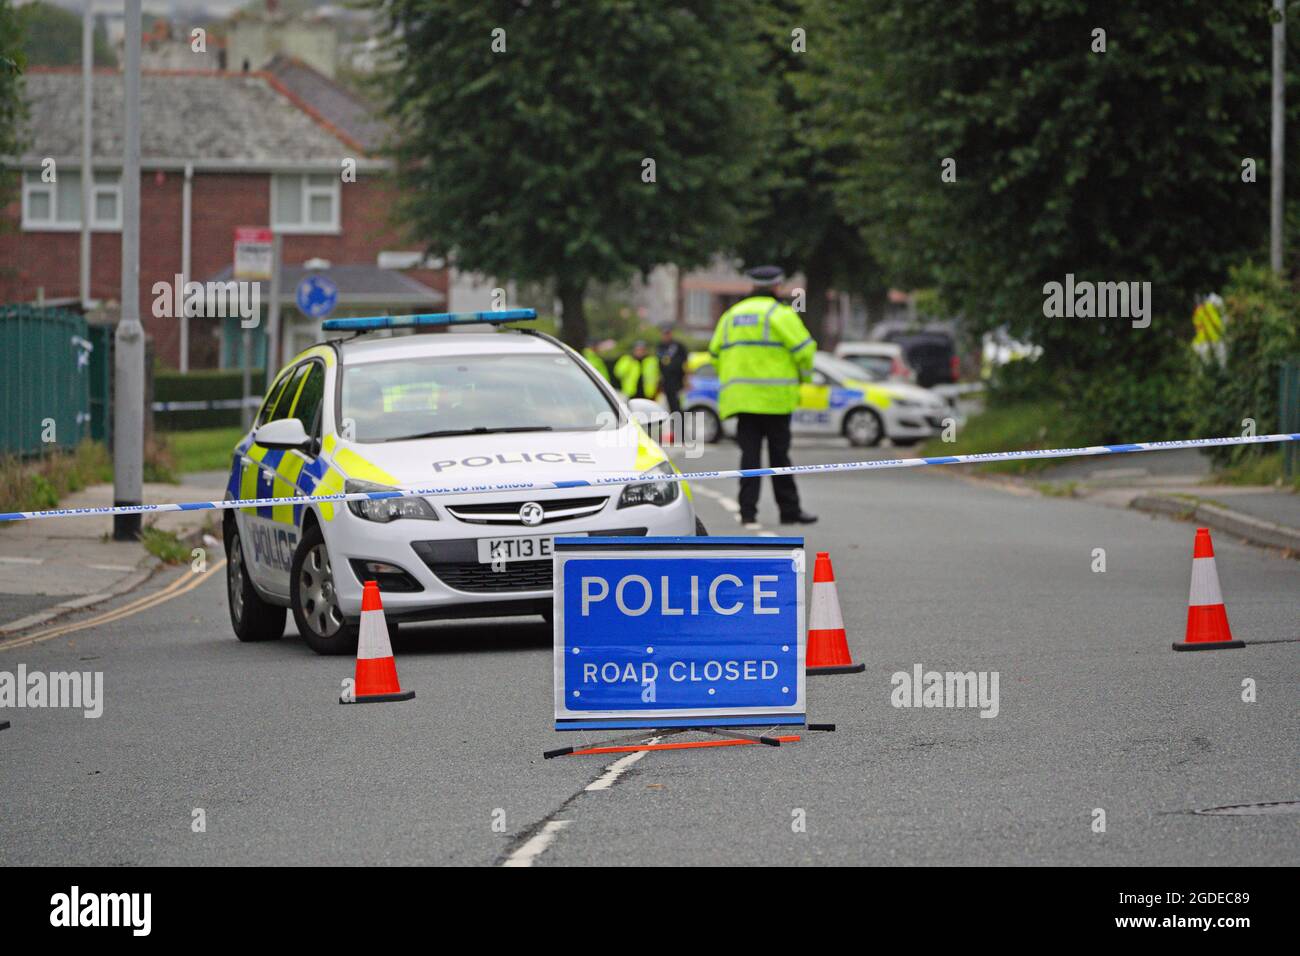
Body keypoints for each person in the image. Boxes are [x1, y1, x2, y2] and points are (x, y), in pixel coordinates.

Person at [708, 265, 817, 527]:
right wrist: (804, 377)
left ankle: (747, 513)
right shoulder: (780, 314)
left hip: (742, 401)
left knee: (750, 457)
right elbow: (805, 351)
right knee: (780, 457)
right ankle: (789, 511)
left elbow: (714, 354)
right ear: (777, 286)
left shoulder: (731, 315)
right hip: (776, 400)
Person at [655, 324, 688, 420]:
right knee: (666, 411)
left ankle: (680, 432)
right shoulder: (660, 347)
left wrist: (686, 380)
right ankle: (673, 431)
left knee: (678, 409)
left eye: (668, 333)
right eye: (664, 334)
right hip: (665, 385)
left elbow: (686, 364)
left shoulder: (679, 346)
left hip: (678, 384)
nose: (666, 336)